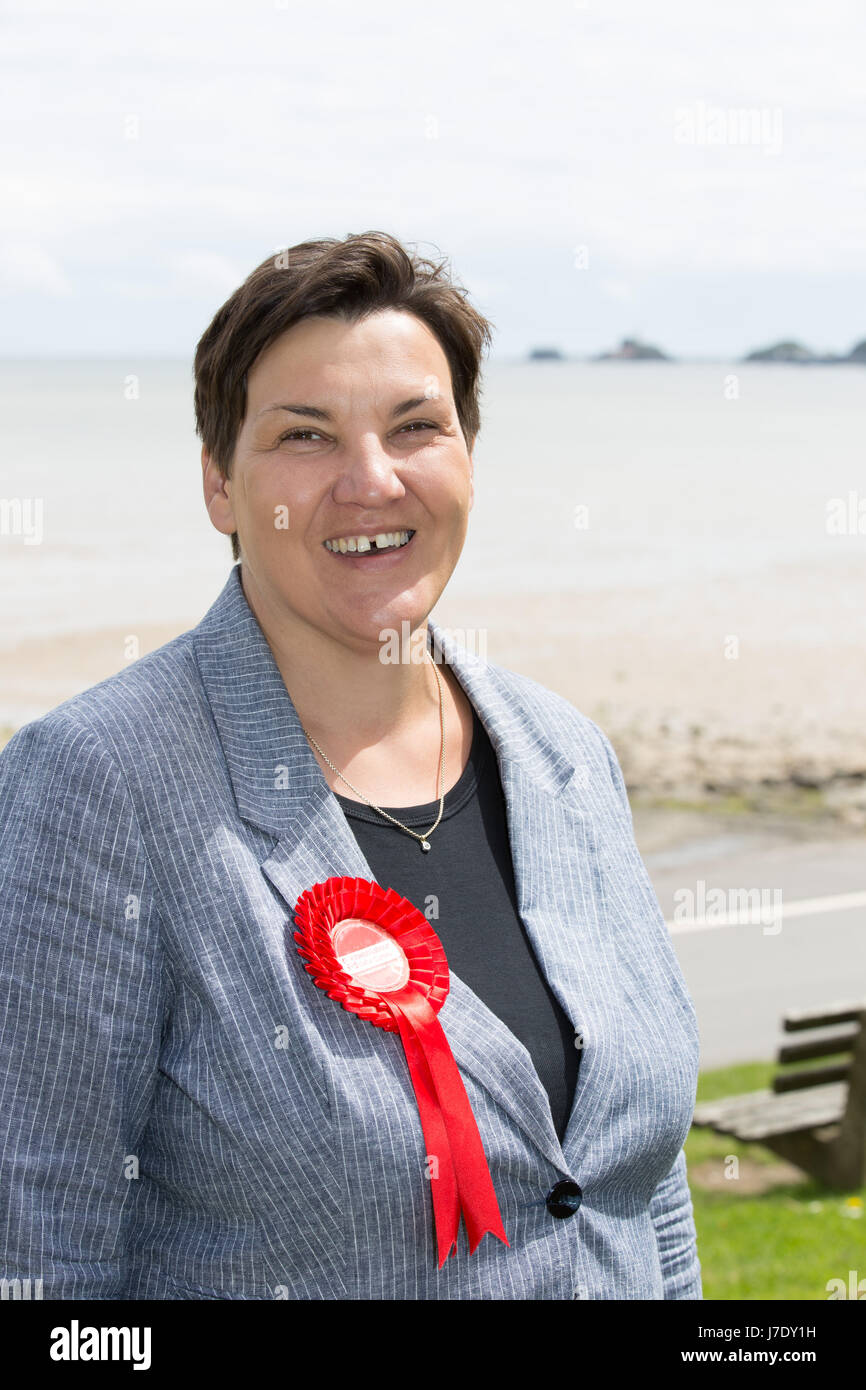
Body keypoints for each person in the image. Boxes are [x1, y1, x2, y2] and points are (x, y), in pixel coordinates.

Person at [0, 230, 702, 1299]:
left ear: (466, 453)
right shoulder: (95, 784)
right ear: (219, 487)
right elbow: (38, 1257)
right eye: (304, 435)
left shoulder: (565, 756)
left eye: (415, 426)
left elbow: (635, 1184)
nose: (370, 481)